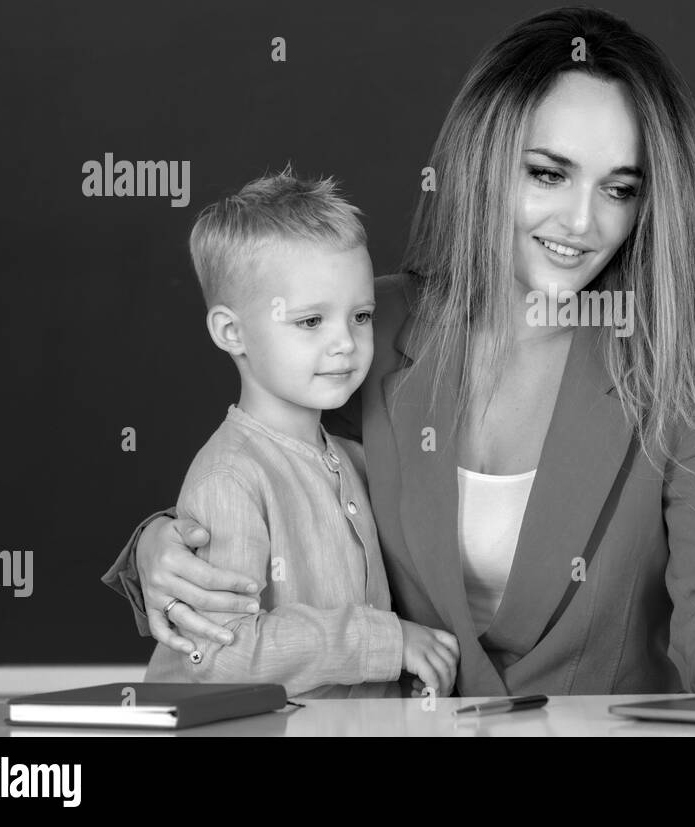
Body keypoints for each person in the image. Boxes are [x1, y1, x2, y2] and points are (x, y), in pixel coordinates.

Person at [104, 6, 695, 697]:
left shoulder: (680, 364)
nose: (582, 222)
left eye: (621, 188)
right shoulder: (368, 327)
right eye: (548, 174)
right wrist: (158, 548)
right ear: (483, 164)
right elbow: (263, 458)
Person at [137, 167, 459, 699]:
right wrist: (388, 641)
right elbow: (220, 654)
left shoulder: (350, 458)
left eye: (360, 316)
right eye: (311, 322)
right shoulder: (230, 478)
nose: (346, 344)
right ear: (231, 332)